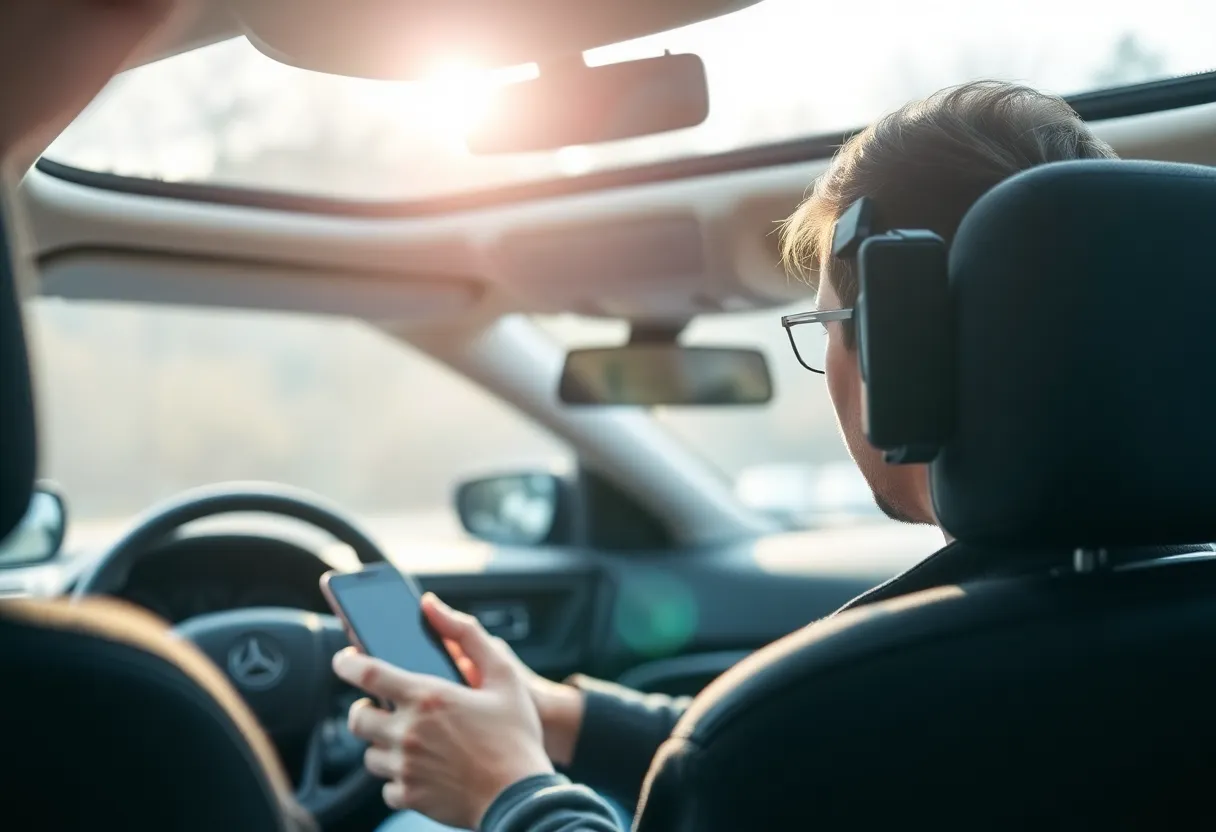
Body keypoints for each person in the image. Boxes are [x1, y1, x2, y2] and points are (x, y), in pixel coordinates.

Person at [335, 80, 1124, 832]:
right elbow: (785, 763)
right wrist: (554, 714)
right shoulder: (1144, 622)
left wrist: (508, 790)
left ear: (896, 345)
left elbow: (776, 750)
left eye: (828, 326)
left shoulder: (878, 688)